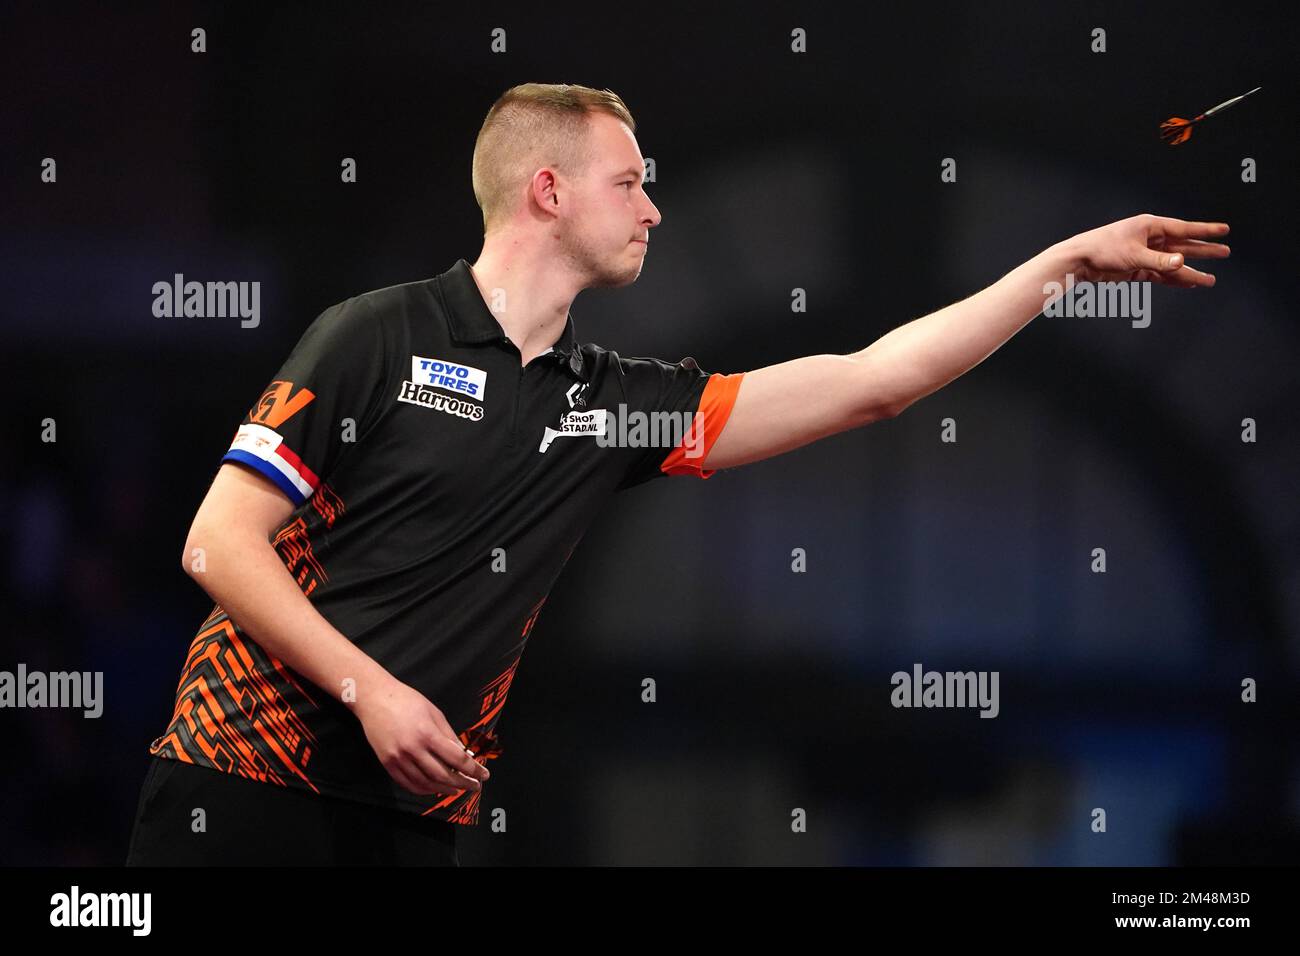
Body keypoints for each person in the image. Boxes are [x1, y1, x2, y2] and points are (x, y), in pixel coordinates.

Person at [125, 81, 1230, 866]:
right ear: (547, 191)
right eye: (629, 183)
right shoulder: (372, 334)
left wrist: (1057, 267)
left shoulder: (612, 400)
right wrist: (373, 691)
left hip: (411, 815)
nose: (654, 207)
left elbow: (871, 379)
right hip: (239, 786)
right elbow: (216, 540)